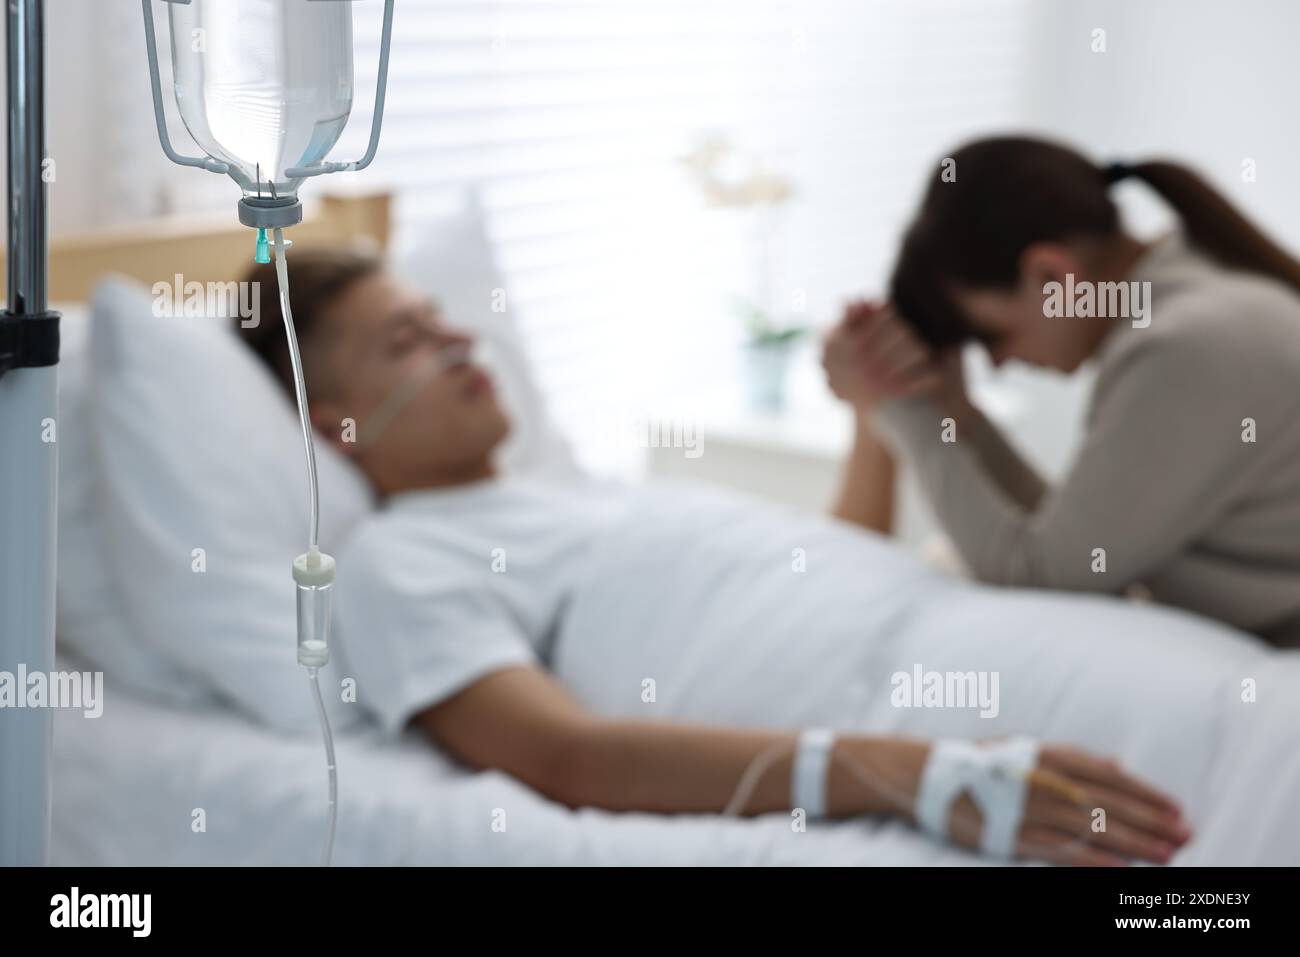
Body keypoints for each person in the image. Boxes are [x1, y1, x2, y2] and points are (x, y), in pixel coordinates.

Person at [235, 248, 1190, 866]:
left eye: (440, 316)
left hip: (981, 638)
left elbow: (831, 572)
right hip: (945, 719)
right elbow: (563, 756)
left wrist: (871, 420)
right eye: (408, 341)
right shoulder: (401, 561)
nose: (457, 341)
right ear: (337, 424)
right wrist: (912, 770)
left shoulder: (576, 491)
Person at [823, 135, 1300, 646]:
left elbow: (1041, 574)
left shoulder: (1183, 346)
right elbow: (1080, 543)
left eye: (991, 336)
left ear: (1051, 276)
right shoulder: (1197, 299)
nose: (997, 364)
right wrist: (956, 412)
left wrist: (898, 402)